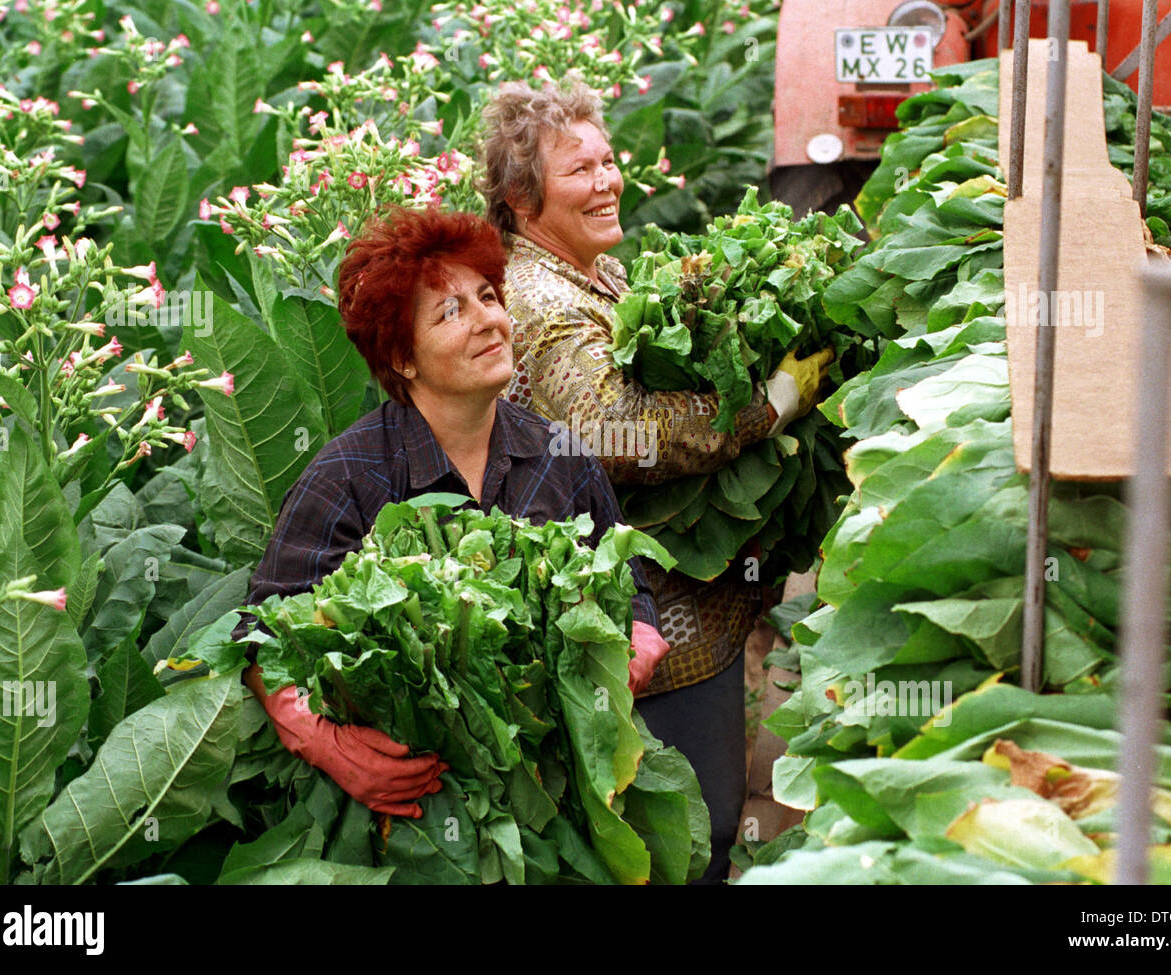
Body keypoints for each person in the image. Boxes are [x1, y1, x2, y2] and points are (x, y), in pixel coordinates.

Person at [479, 77, 830, 882]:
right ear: (524, 199)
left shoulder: (588, 272)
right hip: (645, 624)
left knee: (698, 816)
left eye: (608, 161)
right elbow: (614, 433)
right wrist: (762, 409)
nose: (606, 182)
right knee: (690, 831)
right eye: (580, 171)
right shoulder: (540, 296)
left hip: (674, 613)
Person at [240, 205, 671, 824]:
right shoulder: (349, 475)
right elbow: (258, 632)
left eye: (488, 296)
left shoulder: (560, 454)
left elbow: (628, 581)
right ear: (404, 360)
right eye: (451, 311)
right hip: (412, 809)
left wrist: (637, 638)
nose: (489, 322)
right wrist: (317, 736)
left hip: (552, 784)